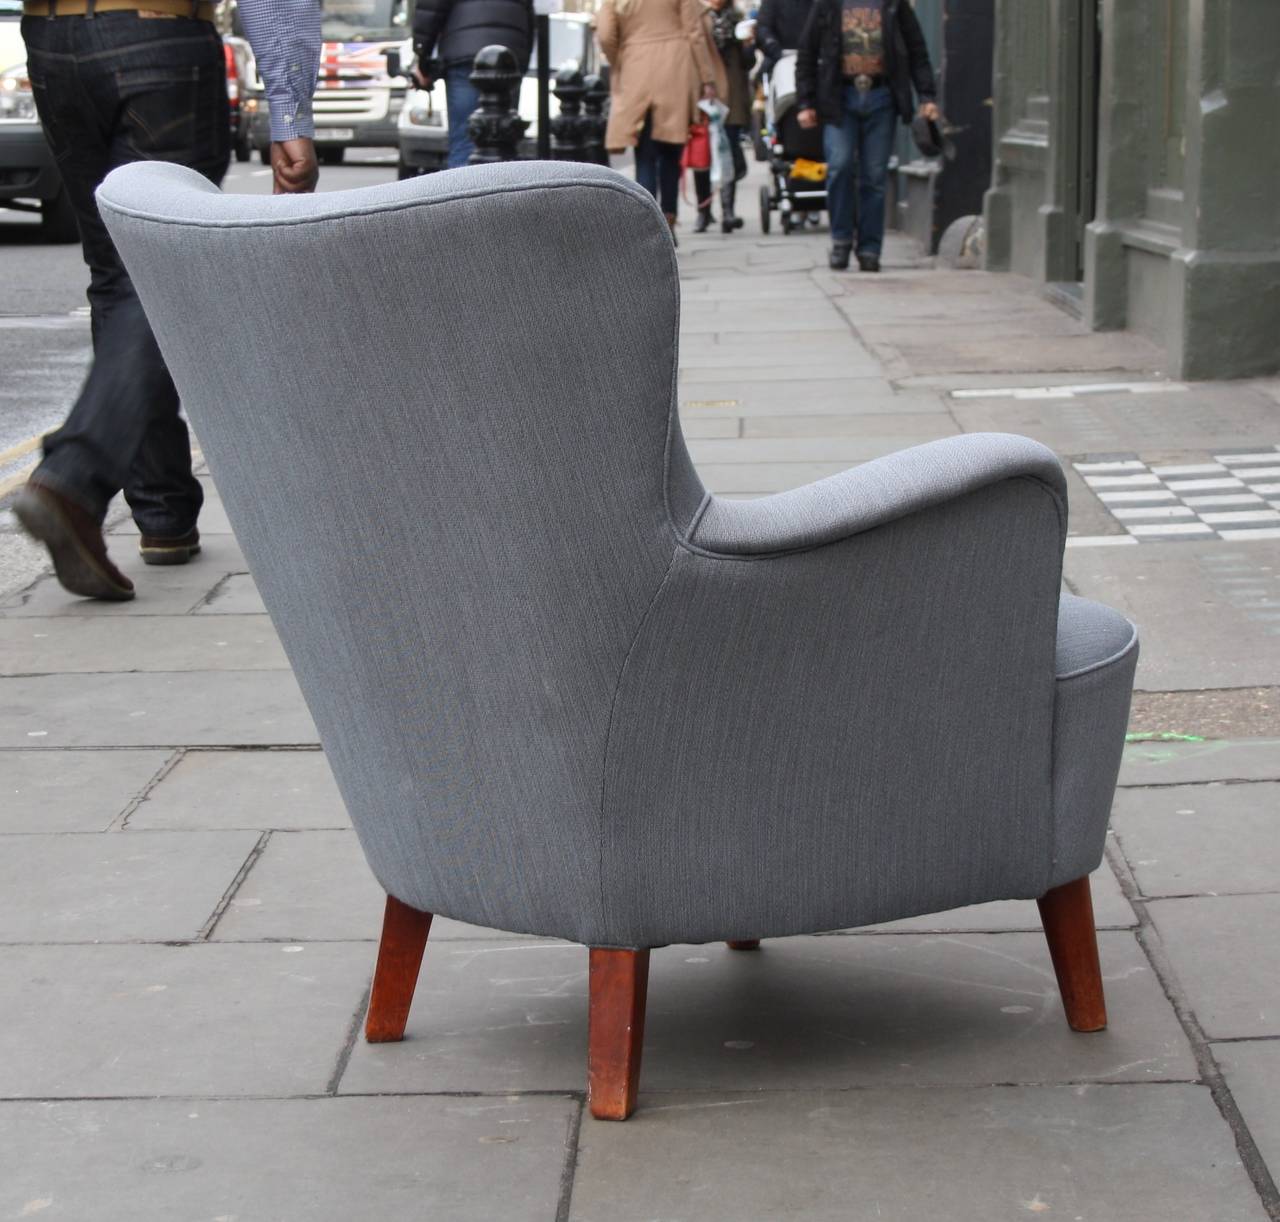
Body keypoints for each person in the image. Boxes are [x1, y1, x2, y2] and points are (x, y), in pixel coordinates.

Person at [14, 0, 322, 603]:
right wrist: (289, 113)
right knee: (159, 261)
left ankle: (162, 511)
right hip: (160, 35)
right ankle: (77, 476)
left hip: (52, 40)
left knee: (116, 269)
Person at [795, 0, 937, 271]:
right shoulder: (828, 4)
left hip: (881, 96)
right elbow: (807, 51)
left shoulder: (894, 4)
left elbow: (917, 48)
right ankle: (841, 241)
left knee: (874, 176)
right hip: (839, 97)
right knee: (840, 167)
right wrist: (806, 102)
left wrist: (927, 95)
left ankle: (870, 248)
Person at [597, 0, 725, 239]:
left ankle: (647, 225)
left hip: (635, 66)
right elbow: (694, 31)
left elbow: (605, 33)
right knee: (670, 152)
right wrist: (707, 78)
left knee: (644, 155)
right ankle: (668, 220)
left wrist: (620, 57)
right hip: (675, 67)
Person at [412, 0, 534, 169]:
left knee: (464, 140)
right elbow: (528, 11)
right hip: (509, 53)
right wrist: (521, 61)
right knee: (502, 141)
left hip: (463, 50)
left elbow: (430, 8)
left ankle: (464, 192)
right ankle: (501, 192)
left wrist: (422, 57)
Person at [692, 0, 750, 233]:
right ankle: (703, 211)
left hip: (732, 94)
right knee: (702, 154)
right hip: (704, 93)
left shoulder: (737, 18)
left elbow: (749, 62)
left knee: (729, 150)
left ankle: (728, 211)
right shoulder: (695, 16)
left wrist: (747, 44)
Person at [753, 0, 811, 74]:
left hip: (813, 59)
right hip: (781, 57)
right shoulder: (771, 3)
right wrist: (774, 48)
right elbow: (763, 27)